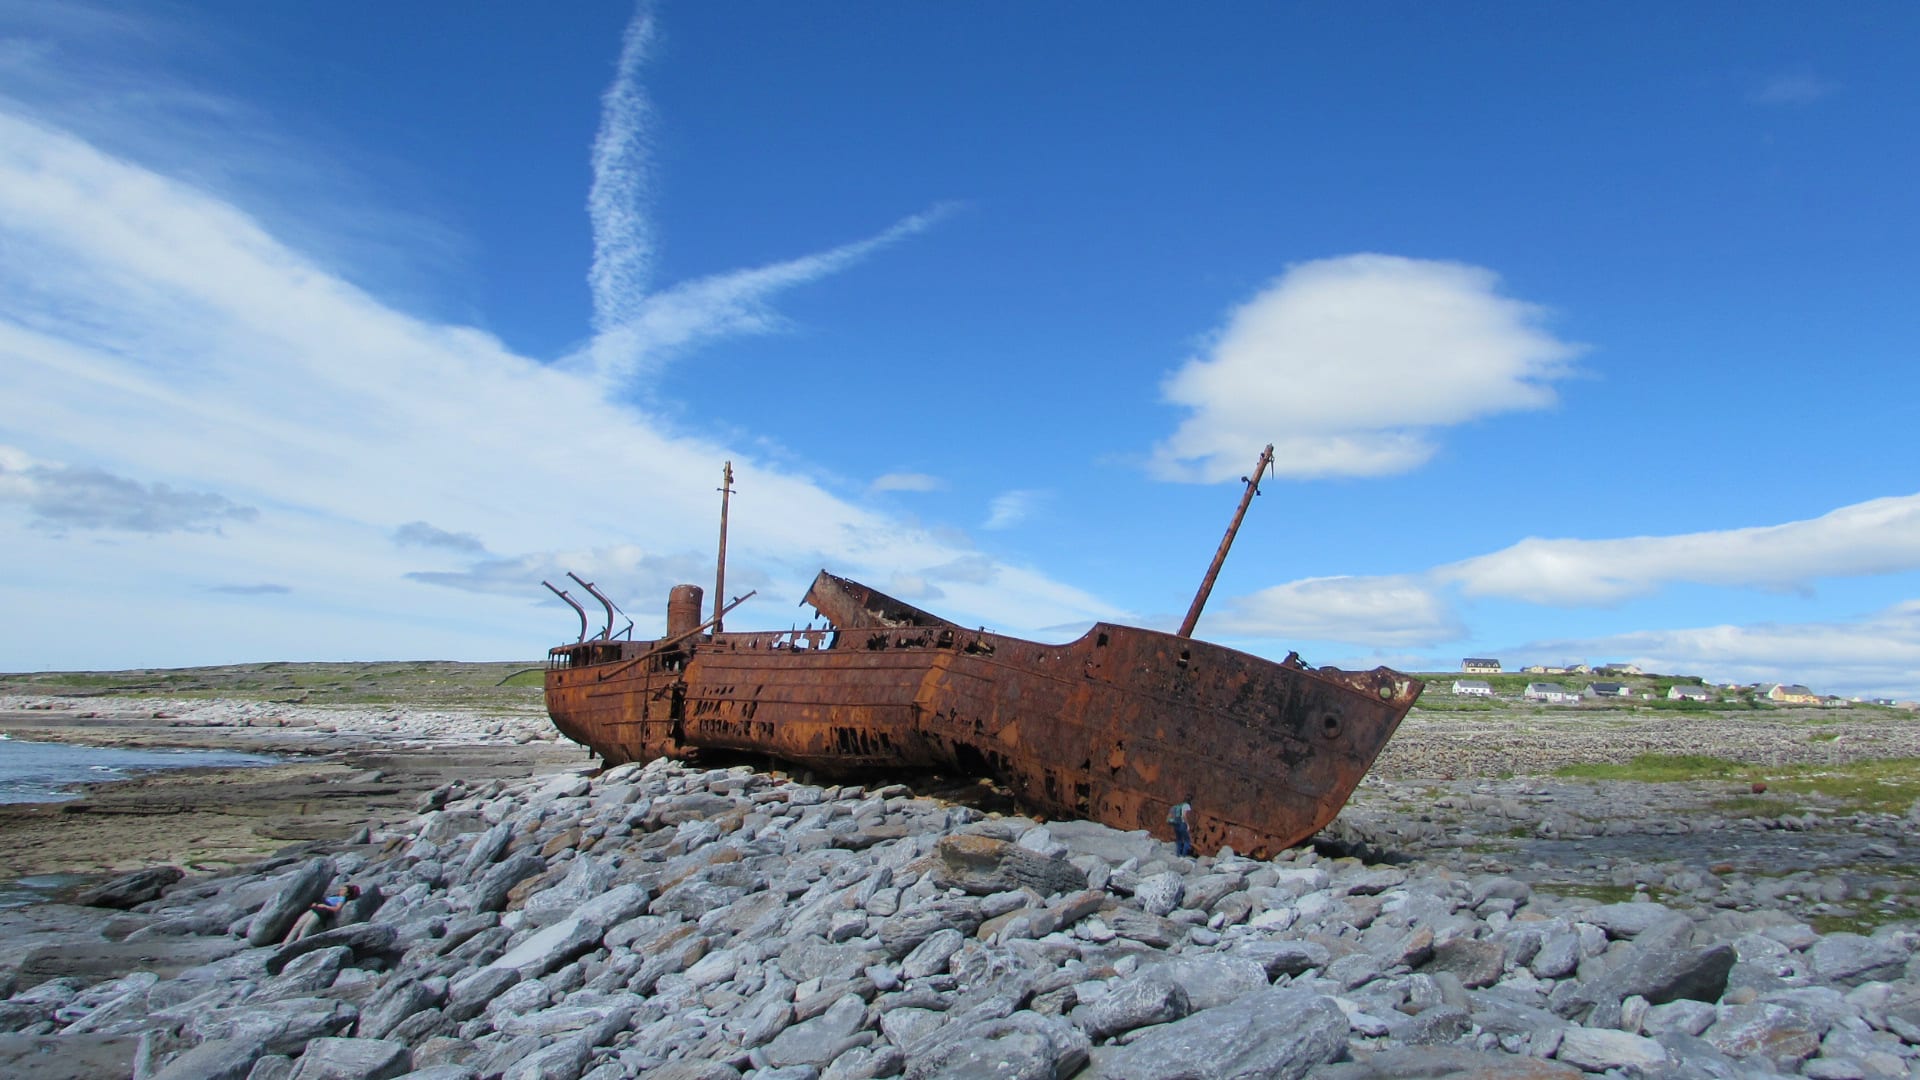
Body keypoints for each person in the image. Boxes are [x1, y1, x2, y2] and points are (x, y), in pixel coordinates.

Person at [283, 883, 360, 943]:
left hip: (322, 911)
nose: (340, 890)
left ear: (347, 894)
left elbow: (336, 908)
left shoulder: (342, 898)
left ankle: (297, 943)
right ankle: (286, 943)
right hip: (317, 908)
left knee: (307, 927)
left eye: (343, 890)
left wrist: (324, 906)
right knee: (299, 924)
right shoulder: (335, 896)